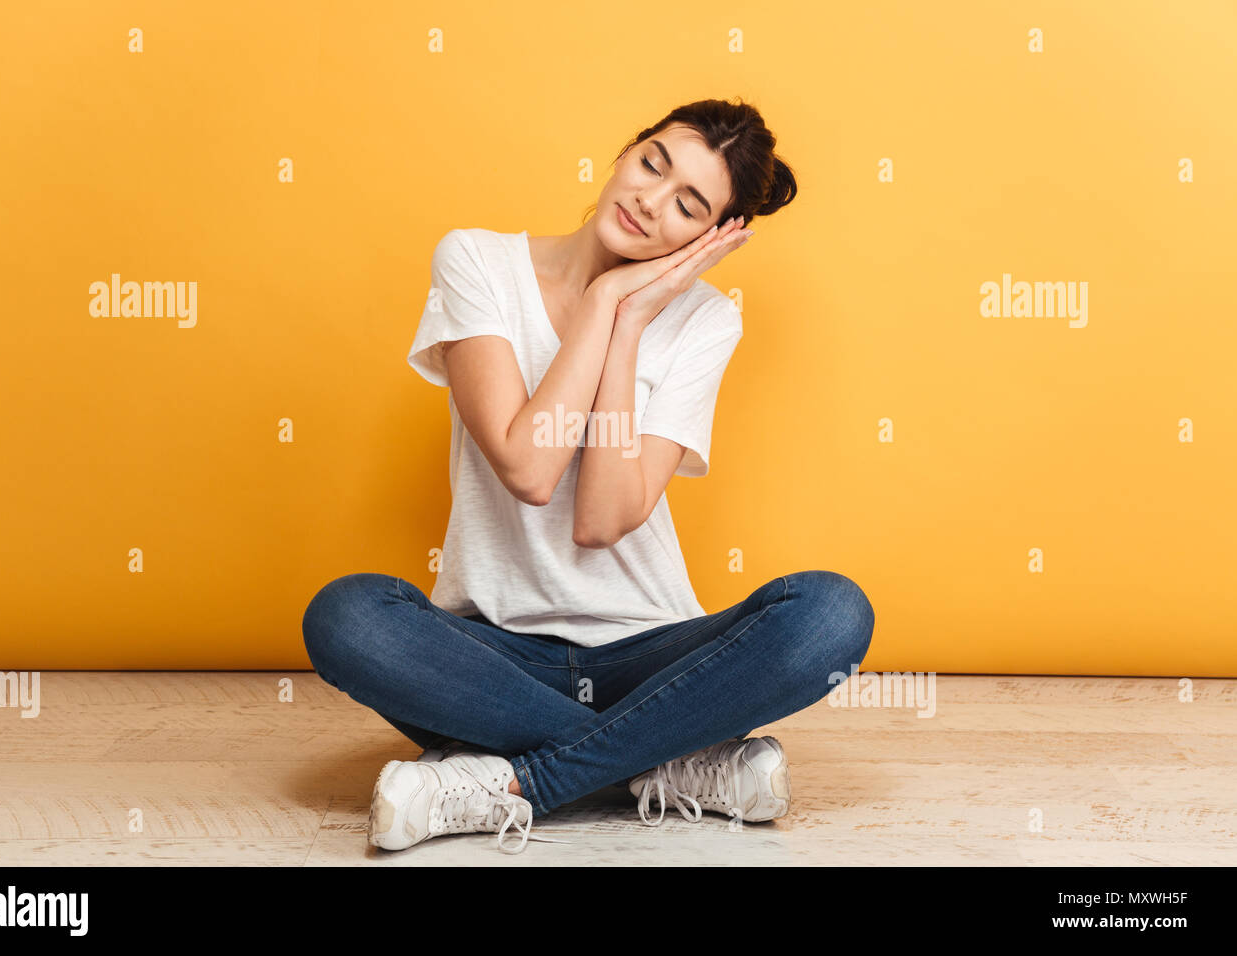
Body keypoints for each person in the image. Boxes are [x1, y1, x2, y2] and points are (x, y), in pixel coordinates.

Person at [302, 97, 875, 854]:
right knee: (347, 617)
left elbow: (599, 519)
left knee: (832, 614)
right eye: (652, 164)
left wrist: (630, 322)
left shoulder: (705, 320)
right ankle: (665, 763)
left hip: (654, 657)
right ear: (625, 152)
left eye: (687, 206)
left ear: (706, 237)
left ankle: (513, 784)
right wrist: (604, 299)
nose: (649, 200)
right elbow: (528, 466)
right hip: (493, 659)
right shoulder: (477, 261)